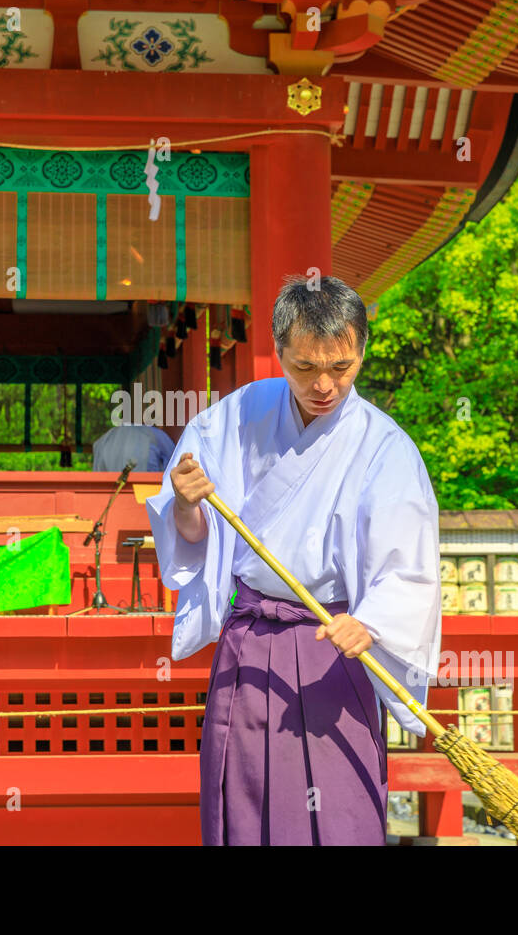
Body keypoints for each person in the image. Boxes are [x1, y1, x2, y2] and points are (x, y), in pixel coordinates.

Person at [145, 275, 442, 845]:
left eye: (343, 366)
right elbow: (194, 533)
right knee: (245, 797)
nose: (325, 384)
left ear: (362, 351)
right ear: (279, 350)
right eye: (306, 368)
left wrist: (372, 621)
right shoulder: (236, 416)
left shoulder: (386, 446)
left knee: (337, 816)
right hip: (252, 644)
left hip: (334, 646)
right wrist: (184, 503)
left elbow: (410, 570)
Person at [91, 422, 176, 473]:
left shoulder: (105, 439)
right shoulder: (156, 435)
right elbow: (175, 464)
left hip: (111, 496)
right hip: (148, 494)